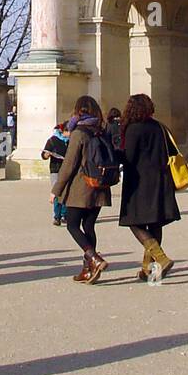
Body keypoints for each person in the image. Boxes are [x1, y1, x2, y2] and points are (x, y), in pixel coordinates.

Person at [51, 95, 112, 284]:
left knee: (72, 224)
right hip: (100, 186)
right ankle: (88, 269)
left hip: (82, 187)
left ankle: (94, 258)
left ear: (78, 111)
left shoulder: (78, 132)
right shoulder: (101, 131)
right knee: (89, 226)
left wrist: (56, 189)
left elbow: (69, 164)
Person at [119, 94, 180, 282]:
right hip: (161, 180)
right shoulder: (159, 127)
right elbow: (172, 151)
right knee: (155, 223)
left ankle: (160, 258)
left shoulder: (133, 129)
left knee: (133, 221)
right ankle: (150, 270)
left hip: (139, 181)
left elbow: (128, 157)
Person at [41, 122, 70, 226]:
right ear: (63, 131)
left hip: (67, 169)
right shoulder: (52, 140)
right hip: (56, 169)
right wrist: (46, 155)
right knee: (57, 192)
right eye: (69, 131)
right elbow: (43, 155)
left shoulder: (71, 141)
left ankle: (64, 214)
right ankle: (57, 216)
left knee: (67, 192)